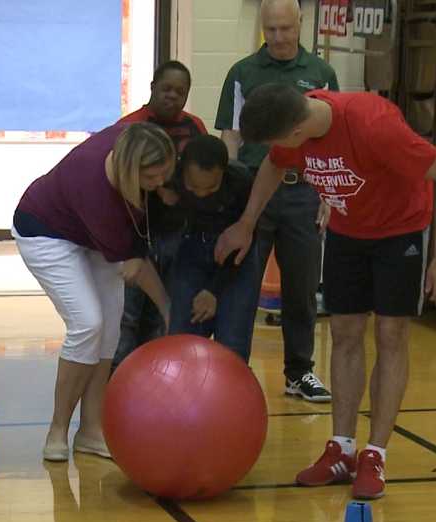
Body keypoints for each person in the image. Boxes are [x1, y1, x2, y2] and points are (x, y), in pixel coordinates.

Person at [228, 82, 436, 500]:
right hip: (346, 232)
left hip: (400, 232)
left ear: (296, 131)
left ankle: (375, 453)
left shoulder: (373, 125)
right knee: (344, 333)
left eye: (277, 142)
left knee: (390, 335)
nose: (276, 150)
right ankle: (342, 448)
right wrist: (247, 223)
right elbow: (272, 165)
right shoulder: (297, 121)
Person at [14, 122, 175, 463]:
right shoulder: (95, 190)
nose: (161, 184)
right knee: (88, 324)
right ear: (130, 170)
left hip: (88, 234)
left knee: (110, 329)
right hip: (45, 231)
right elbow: (135, 265)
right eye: (152, 177)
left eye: (165, 173)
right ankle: (57, 430)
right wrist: (167, 308)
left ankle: (91, 431)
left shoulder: (132, 137)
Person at [214, 0, 339, 404]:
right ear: (262, 27)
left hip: (303, 192)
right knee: (242, 285)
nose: (280, 37)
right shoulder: (242, 73)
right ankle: (234, 370)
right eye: (271, 29)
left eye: (286, 28)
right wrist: (229, 192)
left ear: (300, 23)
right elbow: (231, 136)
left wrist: (328, 193)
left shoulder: (321, 73)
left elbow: (333, 138)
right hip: (254, 189)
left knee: (302, 288)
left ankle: (299, 373)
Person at [113, 61, 208, 371]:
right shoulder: (130, 127)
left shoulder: (195, 128)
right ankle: (118, 380)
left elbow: (203, 177)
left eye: (180, 92)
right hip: (134, 235)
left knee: (161, 314)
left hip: (178, 234)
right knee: (127, 316)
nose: (172, 96)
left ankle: (151, 376)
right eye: (166, 89)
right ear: (153, 87)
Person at [165, 135, 261, 362]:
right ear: (182, 170)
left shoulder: (241, 183)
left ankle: (230, 385)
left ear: (224, 173)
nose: (200, 193)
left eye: (211, 188)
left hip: (236, 261)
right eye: (193, 187)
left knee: (232, 342)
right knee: (181, 336)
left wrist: (213, 291)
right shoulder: (169, 178)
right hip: (190, 253)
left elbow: (245, 242)